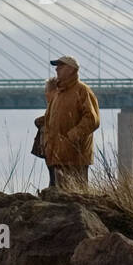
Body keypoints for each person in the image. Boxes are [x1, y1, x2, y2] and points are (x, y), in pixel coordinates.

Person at [42, 55, 100, 190]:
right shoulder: (58, 94)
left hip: (76, 156)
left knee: (78, 195)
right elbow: (49, 119)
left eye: (61, 66)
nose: (56, 69)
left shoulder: (82, 90)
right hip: (57, 156)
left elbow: (92, 119)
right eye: (57, 66)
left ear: (71, 69)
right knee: (61, 199)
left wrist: (71, 137)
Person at [33, 78, 59, 187]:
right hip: (49, 149)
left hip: (54, 149)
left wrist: (39, 121)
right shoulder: (52, 105)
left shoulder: (56, 105)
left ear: (54, 91)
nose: (45, 94)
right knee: (53, 177)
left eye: (47, 91)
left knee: (55, 178)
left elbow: (55, 122)